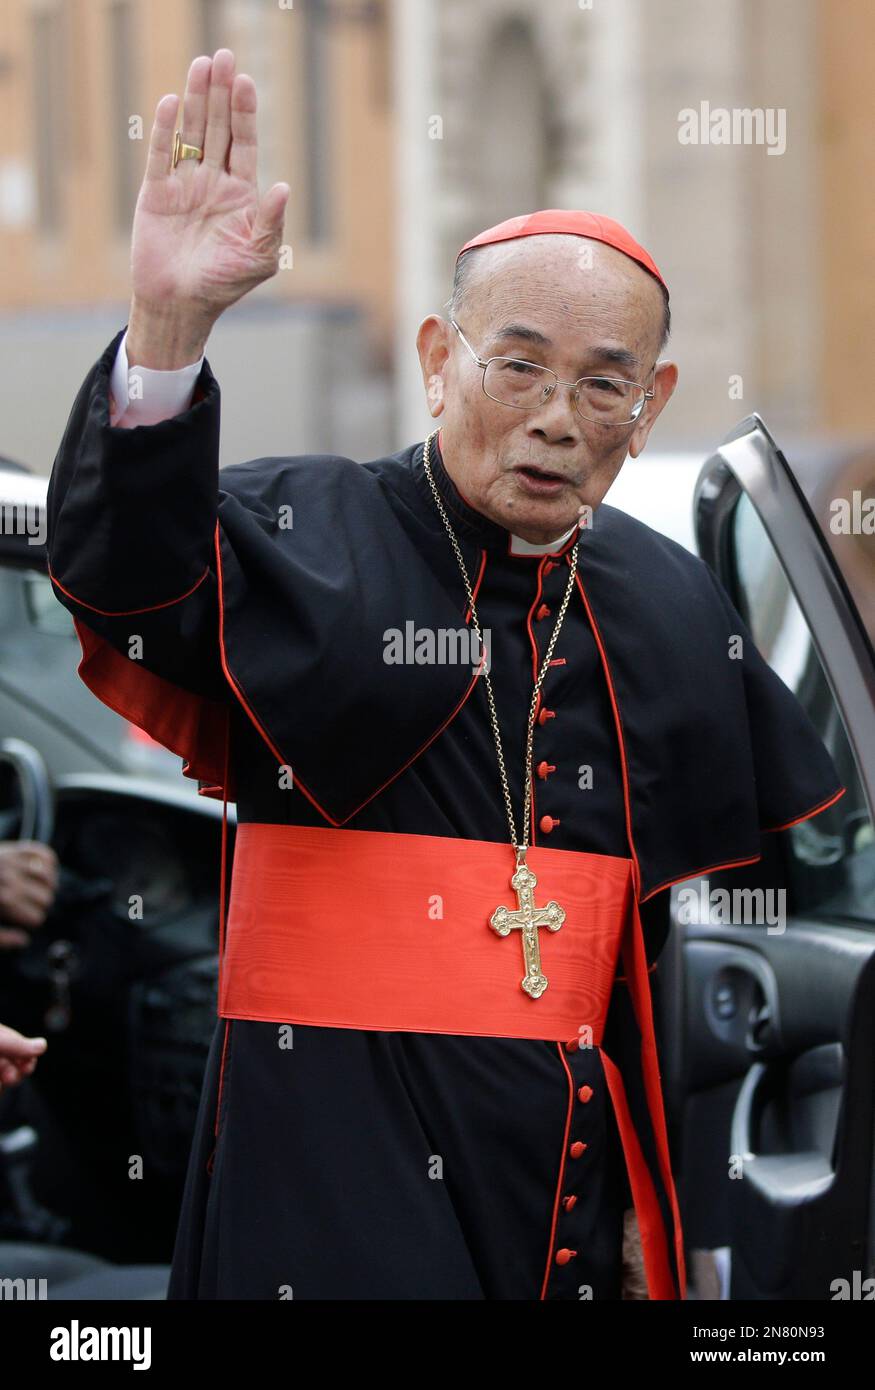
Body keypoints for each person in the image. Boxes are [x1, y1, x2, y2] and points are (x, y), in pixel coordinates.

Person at [45, 49, 844, 1301]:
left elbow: (644, 957)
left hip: (573, 1190)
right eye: (515, 364)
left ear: (653, 403)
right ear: (434, 358)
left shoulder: (673, 599)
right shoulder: (303, 529)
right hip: (328, 1158)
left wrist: (658, 1201)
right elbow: (125, 576)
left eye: (603, 384)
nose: (556, 417)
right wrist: (169, 328)